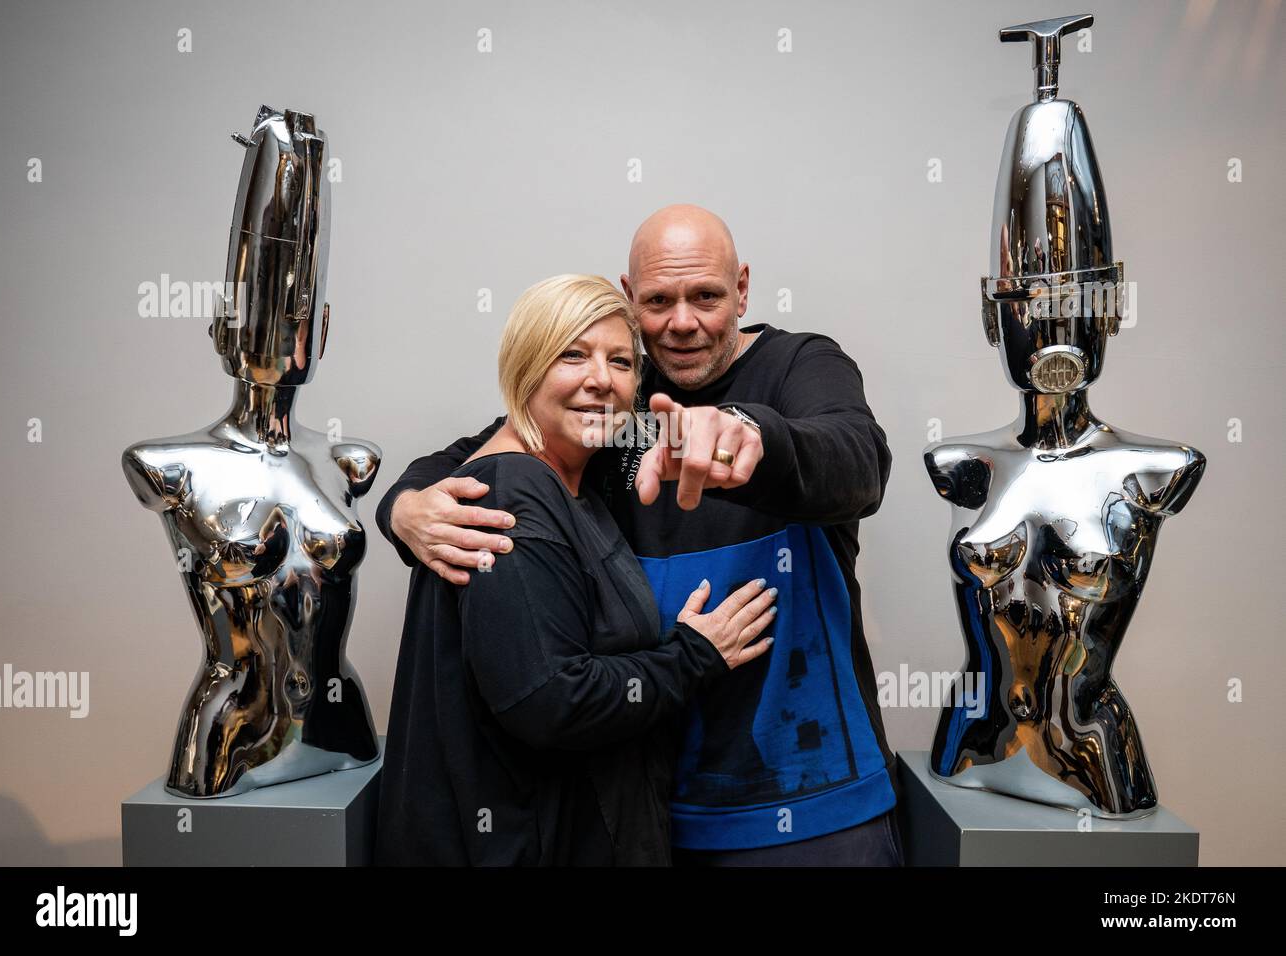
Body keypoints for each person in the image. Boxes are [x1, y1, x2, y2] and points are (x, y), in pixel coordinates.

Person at [379, 206, 902, 866]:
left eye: (706, 296)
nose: (682, 322)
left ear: (742, 288)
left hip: (812, 814)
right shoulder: (615, 391)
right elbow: (491, 453)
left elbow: (858, 462)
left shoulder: (800, 365)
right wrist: (403, 509)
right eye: (658, 301)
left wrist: (753, 436)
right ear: (630, 300)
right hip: (652, 818)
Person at [373, 273, 775, 866]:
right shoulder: (516, 489)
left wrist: (399, 501)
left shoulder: (573, 473)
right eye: (573, 356)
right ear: (526, 367)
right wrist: (694, 655)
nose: (601, 381)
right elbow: (551, 701)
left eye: (620, 361)